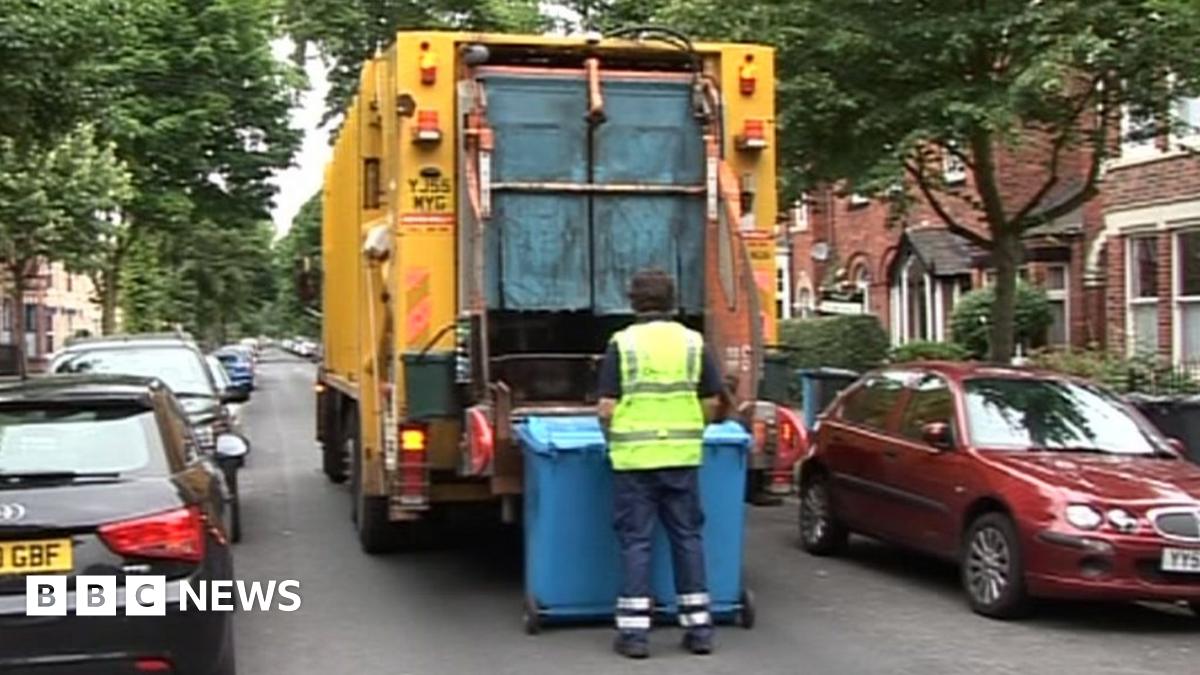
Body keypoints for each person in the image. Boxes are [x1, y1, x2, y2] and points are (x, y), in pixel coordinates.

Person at [596, 268, 724, 659]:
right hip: (681, 459)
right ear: (672, 301)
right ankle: (699, 629)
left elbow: (605, 408)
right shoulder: (693, 342)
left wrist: (612, 437)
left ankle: (634, 636)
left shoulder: (623, 343)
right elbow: (713, 402)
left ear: (634, 302)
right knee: (687, 538)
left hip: (634, 462)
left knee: (637, 542)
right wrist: (689, 428)